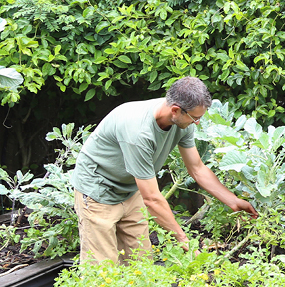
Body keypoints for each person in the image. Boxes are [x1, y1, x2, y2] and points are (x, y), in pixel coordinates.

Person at [71, 76, 258, 264]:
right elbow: (152, 199)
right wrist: (184, 240)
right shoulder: (138, 132)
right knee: (102, 269)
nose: (197, 123)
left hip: (130, 189)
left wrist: (233, 201)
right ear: (176, 110)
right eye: (195, 118)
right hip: (98, 190)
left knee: (140, 263)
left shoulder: (182, 121)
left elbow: (197, 168)